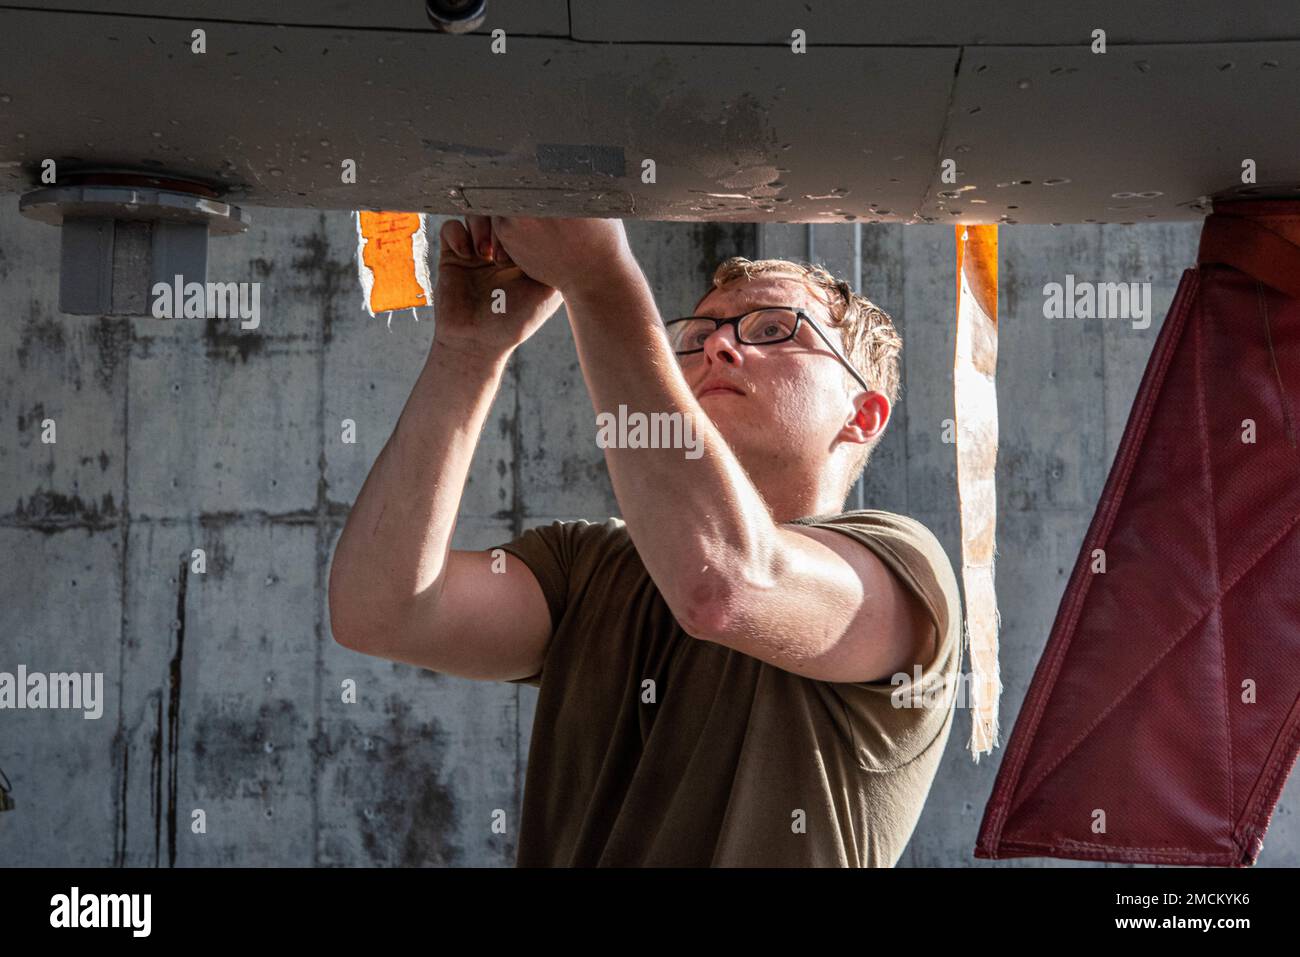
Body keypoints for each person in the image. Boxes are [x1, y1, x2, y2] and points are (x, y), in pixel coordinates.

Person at [328, 215, 964, 866]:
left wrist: (599, 276)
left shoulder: (905, 571)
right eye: (697, 335)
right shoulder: (589, 566)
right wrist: (467, 355)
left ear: (862, 414)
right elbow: (378, 612)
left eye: (774, 329)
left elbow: (723, 585)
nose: (718, 347)